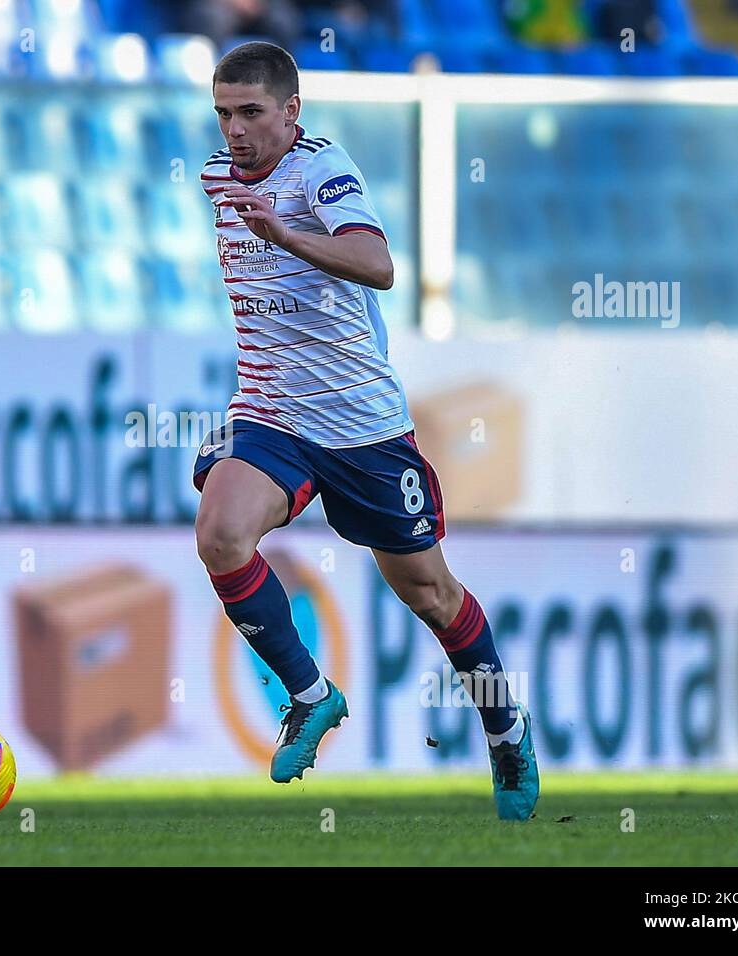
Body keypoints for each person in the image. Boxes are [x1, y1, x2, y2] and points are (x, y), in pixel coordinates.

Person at [193, 42, 539, 819]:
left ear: (292, 111)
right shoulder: (218, 178)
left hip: (362, 425)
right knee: (220, 532)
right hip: (273, 414)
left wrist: (286, 237)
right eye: (223, 113)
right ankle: (311, 695)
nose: (235, 131)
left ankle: (506, 728)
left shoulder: (322, 170)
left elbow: (378, 265)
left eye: (251, 112)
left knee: (432, 595)